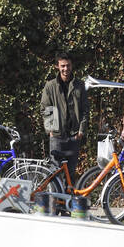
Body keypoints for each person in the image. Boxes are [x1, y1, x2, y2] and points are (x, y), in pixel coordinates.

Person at [40, 51, 88, 183]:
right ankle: (53, 201)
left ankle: (67, 201)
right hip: (57, 135)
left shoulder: (79, 85)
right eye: (62, 66)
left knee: (71, 173)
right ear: (57, 66)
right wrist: (51, 131)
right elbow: (45, 108)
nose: (65, 69)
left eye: (68, 65)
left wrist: (81, 131)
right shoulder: (50, 86)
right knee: (54, 172)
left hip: (74, 135)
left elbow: (85, 110)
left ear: (71, 66)